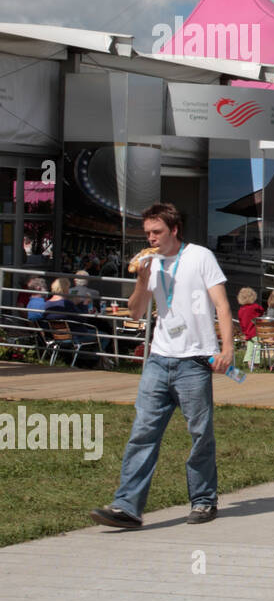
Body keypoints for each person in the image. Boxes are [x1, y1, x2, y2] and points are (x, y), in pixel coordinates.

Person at [90, 202, 234, 530]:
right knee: (143, 432)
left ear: (174, 230)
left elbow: (222, 306)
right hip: (159, 358)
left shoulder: (200, 257)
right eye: (147, 233)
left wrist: (227, 349)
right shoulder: (149, 264)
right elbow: (136, 313)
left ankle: (203, 499)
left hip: (194, 361)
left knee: (200, 434)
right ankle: (127, 507)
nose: (151, 238)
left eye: (157, 232)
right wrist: (142, 281)